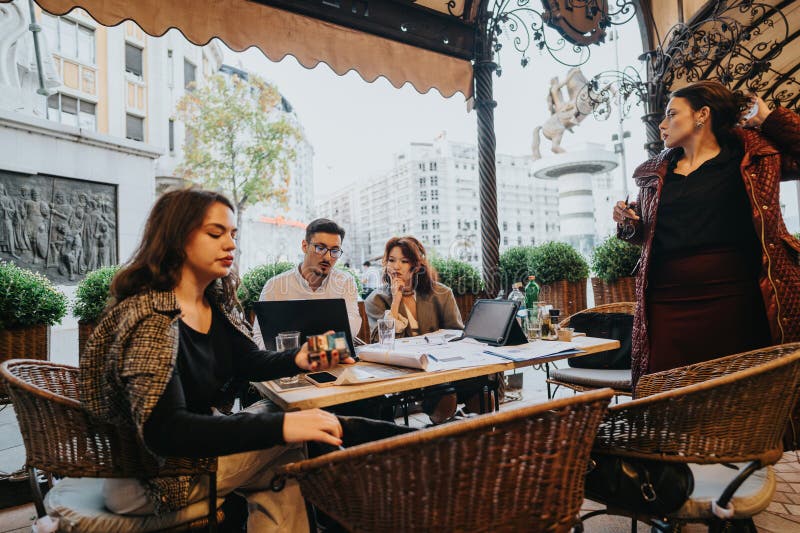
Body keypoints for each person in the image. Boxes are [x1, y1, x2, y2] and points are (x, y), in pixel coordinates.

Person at [79, 188, 354, 532]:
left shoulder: (210, 305)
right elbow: (165, 431)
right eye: (215, 233)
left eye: (233, 235)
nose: (231, 245)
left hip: (191, 454)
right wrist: (281, 427)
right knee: (293, 436)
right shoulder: (150, 316)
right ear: (176, 238)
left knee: (283, 470)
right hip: (153, 479)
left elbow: (250, 362)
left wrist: (299, 357)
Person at [613, 80, 800, 388]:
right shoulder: (653, 174)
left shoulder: (752, 156)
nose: (662, 125)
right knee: (665, 395)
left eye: (672, 114)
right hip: (666, 304)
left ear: (702, 114)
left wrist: (770, 121)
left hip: (736, 301)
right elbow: (644, 235)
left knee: (740, 396)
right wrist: (626, 221)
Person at [365, 236, 465, 423]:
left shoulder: (442, 293)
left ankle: (473, 431)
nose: (396, 267)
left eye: (404, 261)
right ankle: (445, 425)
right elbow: (379, 343)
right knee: (445, 395)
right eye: (392, 260)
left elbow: (458, 333)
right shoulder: (376, 299)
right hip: (402, 370)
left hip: (442, 365)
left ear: (417, 266)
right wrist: (395, 300)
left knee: (481, 385)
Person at [253, 218, 361, 348]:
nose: (328, 257)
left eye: (335, 251)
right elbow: (260, 338)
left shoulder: (345, 282)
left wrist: (312, 350)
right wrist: (294, 356)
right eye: (320, 248)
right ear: (305, 246)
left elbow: (352, 329)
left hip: (333, 361)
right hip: (287, 364)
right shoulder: (275, 286)